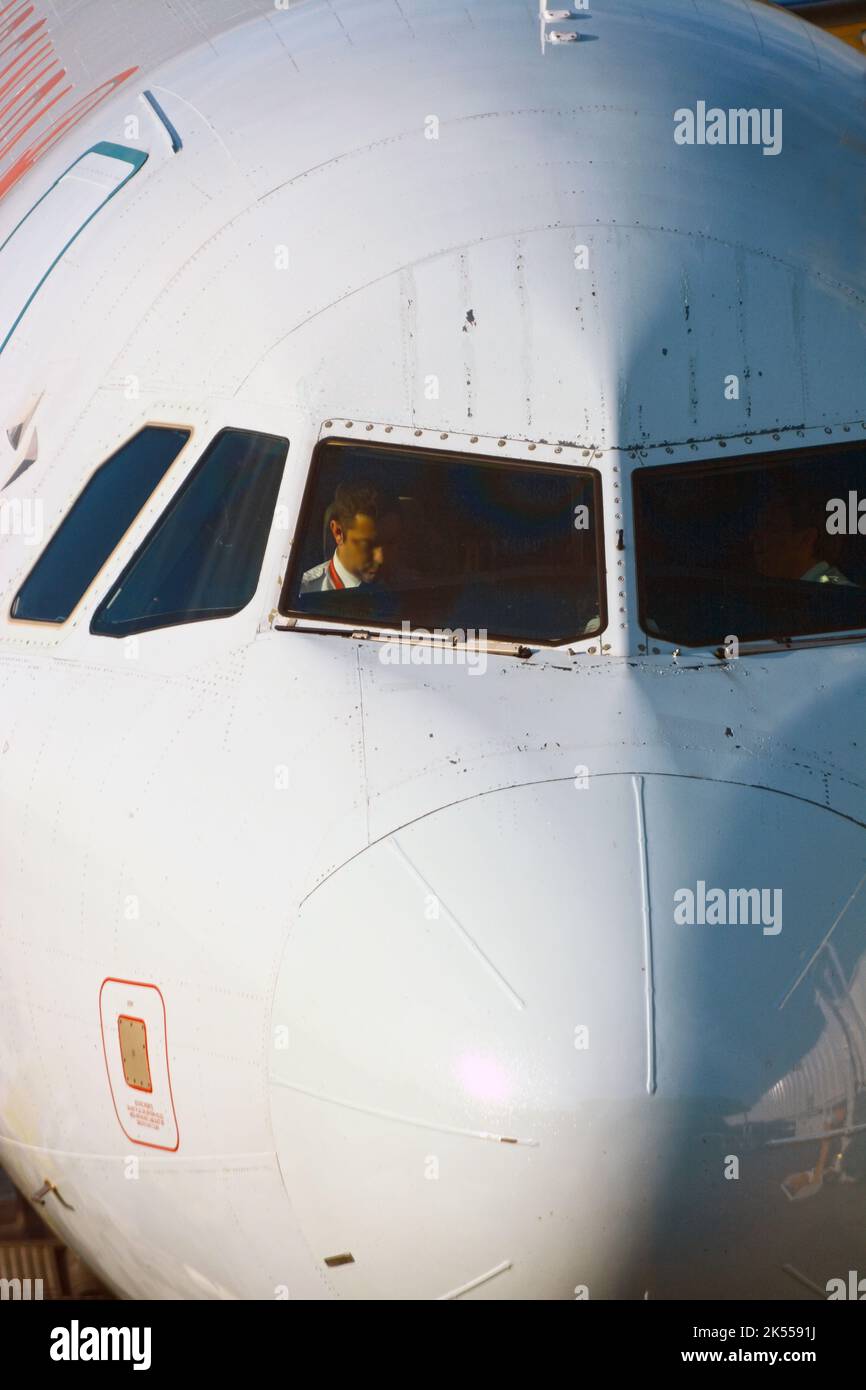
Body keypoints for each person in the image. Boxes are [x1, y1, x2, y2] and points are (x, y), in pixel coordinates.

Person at [750, 491, 854, 586]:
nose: (753, 537)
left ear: (806, 538)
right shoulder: (798, 592)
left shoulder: (835, 598)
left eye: (770, 527)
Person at [299, 481, 384, 593]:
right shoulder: (304, 592)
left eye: (391, 543)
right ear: (338, 532)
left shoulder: (410, 589)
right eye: (368, 544)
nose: (381, 558)